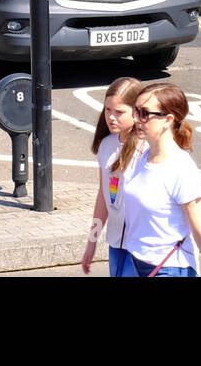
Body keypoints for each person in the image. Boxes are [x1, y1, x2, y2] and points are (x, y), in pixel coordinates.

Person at [114, 83, 201, 276]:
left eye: (144, 113)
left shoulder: (181, 170)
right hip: (137, 261)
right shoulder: (144, 156)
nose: (136, 119)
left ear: (167, 119)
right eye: (135, 110)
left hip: (168, 268)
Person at [82, 77, 145, 277]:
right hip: (116, 242)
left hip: (143, 246)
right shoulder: (106, 145)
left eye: (119, 112)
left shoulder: (146, 149)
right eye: (108, 110)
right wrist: (92, 241)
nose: (111, 117)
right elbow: (103, 195)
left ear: (136, 113)